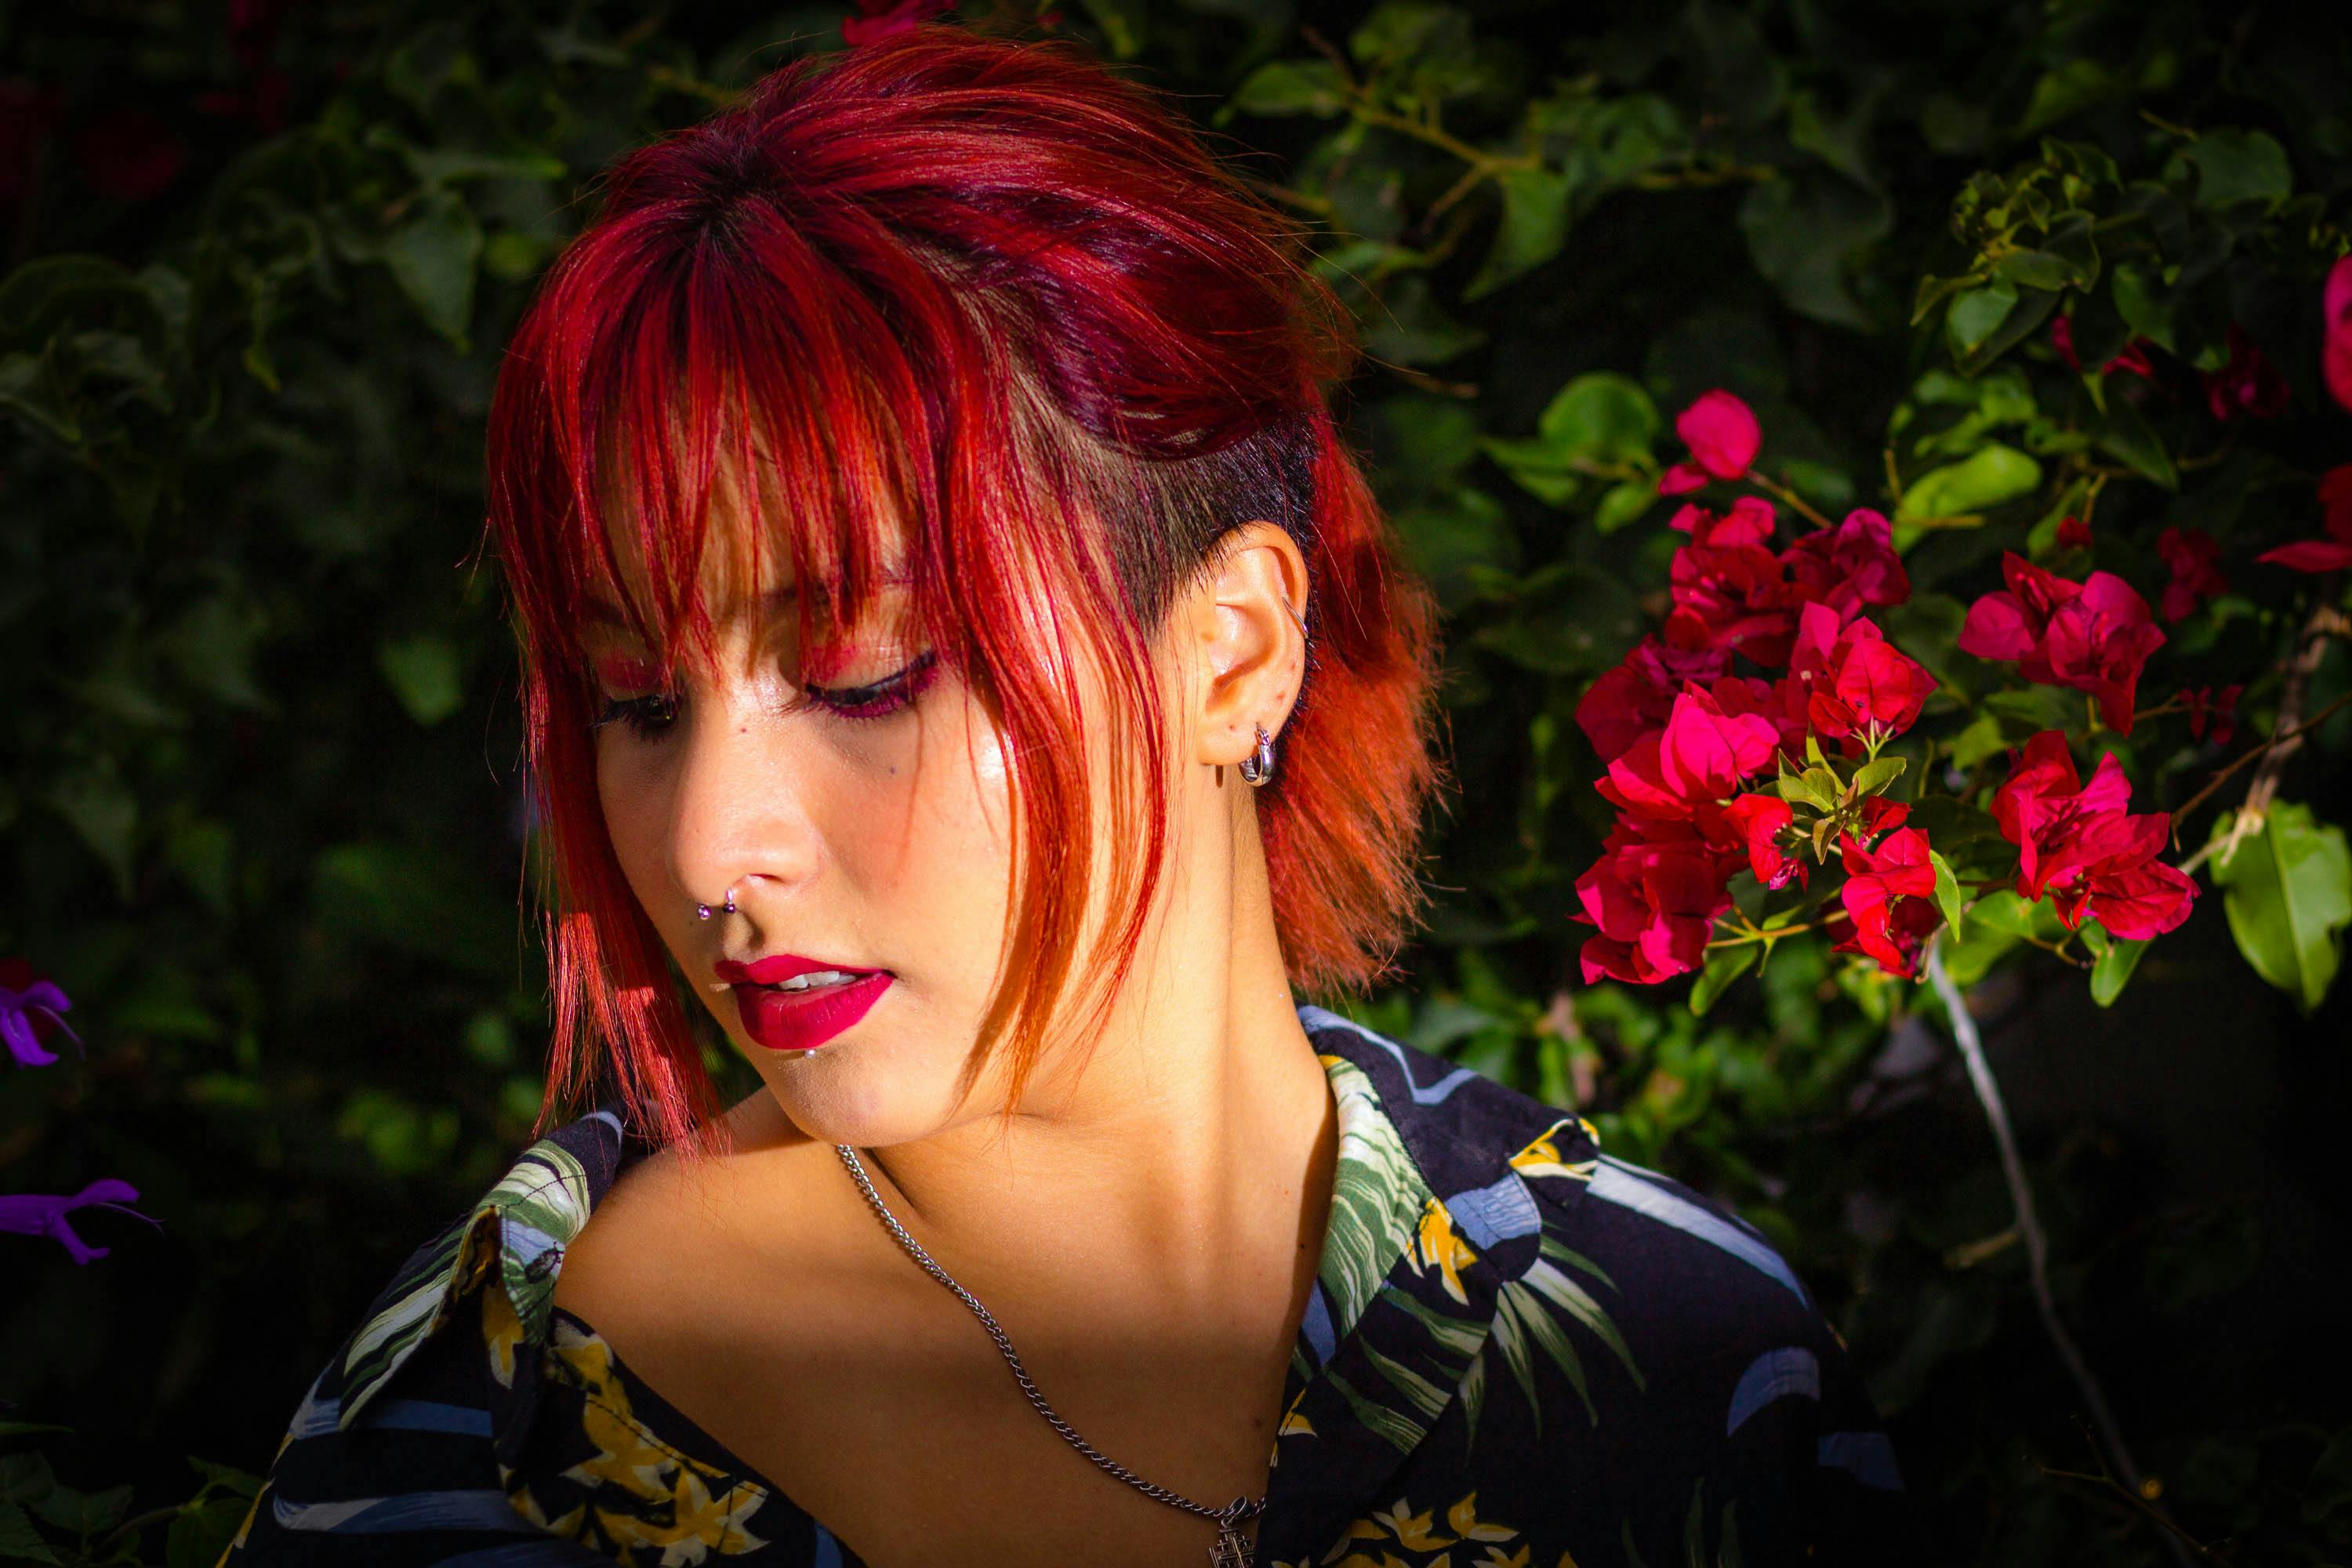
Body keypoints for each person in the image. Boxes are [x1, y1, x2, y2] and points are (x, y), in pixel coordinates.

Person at [219, 24, 1909, 1568]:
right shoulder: (484, 1434)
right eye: (638, 703)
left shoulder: (1681, 1362)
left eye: (867, 676)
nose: (708, 843)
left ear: (1233, 650)